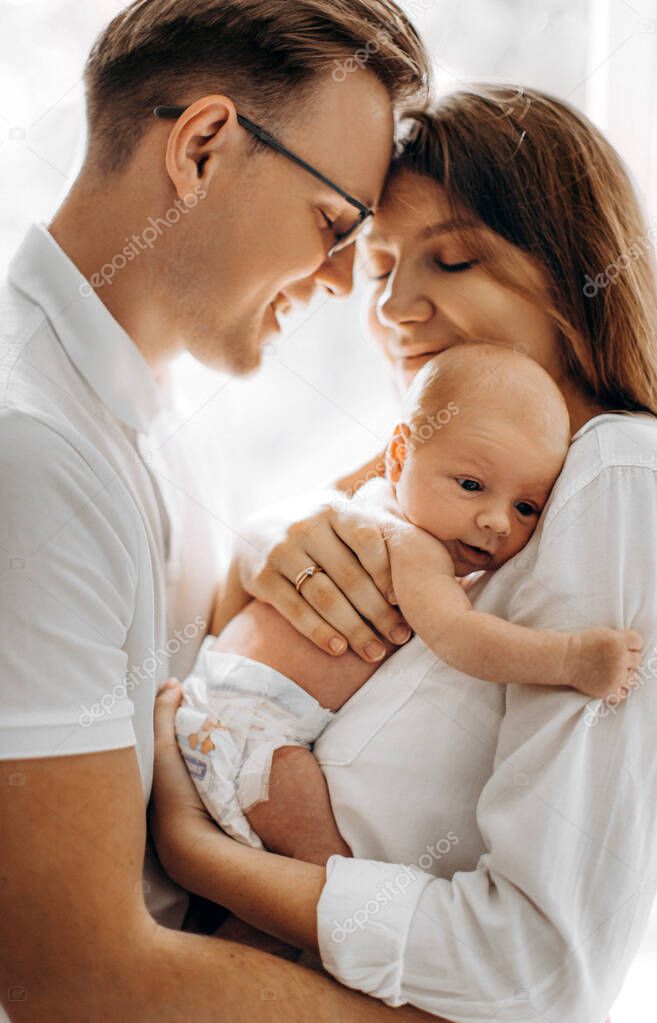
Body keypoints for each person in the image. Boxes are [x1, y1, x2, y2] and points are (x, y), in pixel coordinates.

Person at [151, 86, 657, 1023]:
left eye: (454, 258)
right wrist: (268, 543)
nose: (393, 303)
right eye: (382, 264)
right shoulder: (442, 487)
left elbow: (538, 967)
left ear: (575, 271)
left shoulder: (619, 471)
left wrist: (208, 860)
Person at [0, 2, 436, 1019]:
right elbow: (70, 975)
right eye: (336, 226)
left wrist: (262, 560)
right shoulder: (34, 450)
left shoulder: (155, 415)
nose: (344, 285)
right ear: (200, 148)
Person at [174, 341, 643, 856]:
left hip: (218, 703)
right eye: (471, 484)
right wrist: (571, 659)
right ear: (399, 457)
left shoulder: (370, 515)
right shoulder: (411, 547)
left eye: (527, 507)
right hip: (251, 730)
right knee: (324, 866)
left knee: (257, 881)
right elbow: (462, 639)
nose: (497, 520)